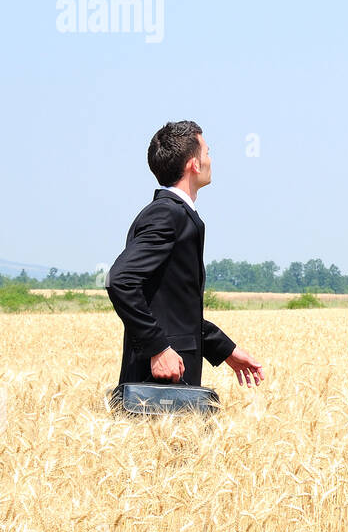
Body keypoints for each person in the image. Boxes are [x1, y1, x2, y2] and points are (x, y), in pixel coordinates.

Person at [106, 120, 264, 388]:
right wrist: (158, 348)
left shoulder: (175, 214)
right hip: (160, 380)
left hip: (170, 378)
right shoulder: (166, 214)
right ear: (194, 164)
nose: (211, 160)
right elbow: (120, 280)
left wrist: (225, 350)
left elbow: (173, 309)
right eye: (207, 153)